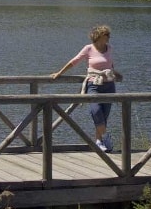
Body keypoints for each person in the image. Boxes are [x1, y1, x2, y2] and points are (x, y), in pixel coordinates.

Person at [52, 24, 123, 152]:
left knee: (104, 115)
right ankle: (105, 137)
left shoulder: (109, 48)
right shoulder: (88, 48)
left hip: (109, 85)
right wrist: (59, 73)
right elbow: (74, 61)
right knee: (95, 111)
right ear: (99, 36)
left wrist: (115, 73)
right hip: (94, 84)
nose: (109, 37)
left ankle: (99, 142)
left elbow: (109, 64)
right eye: (107, 35)